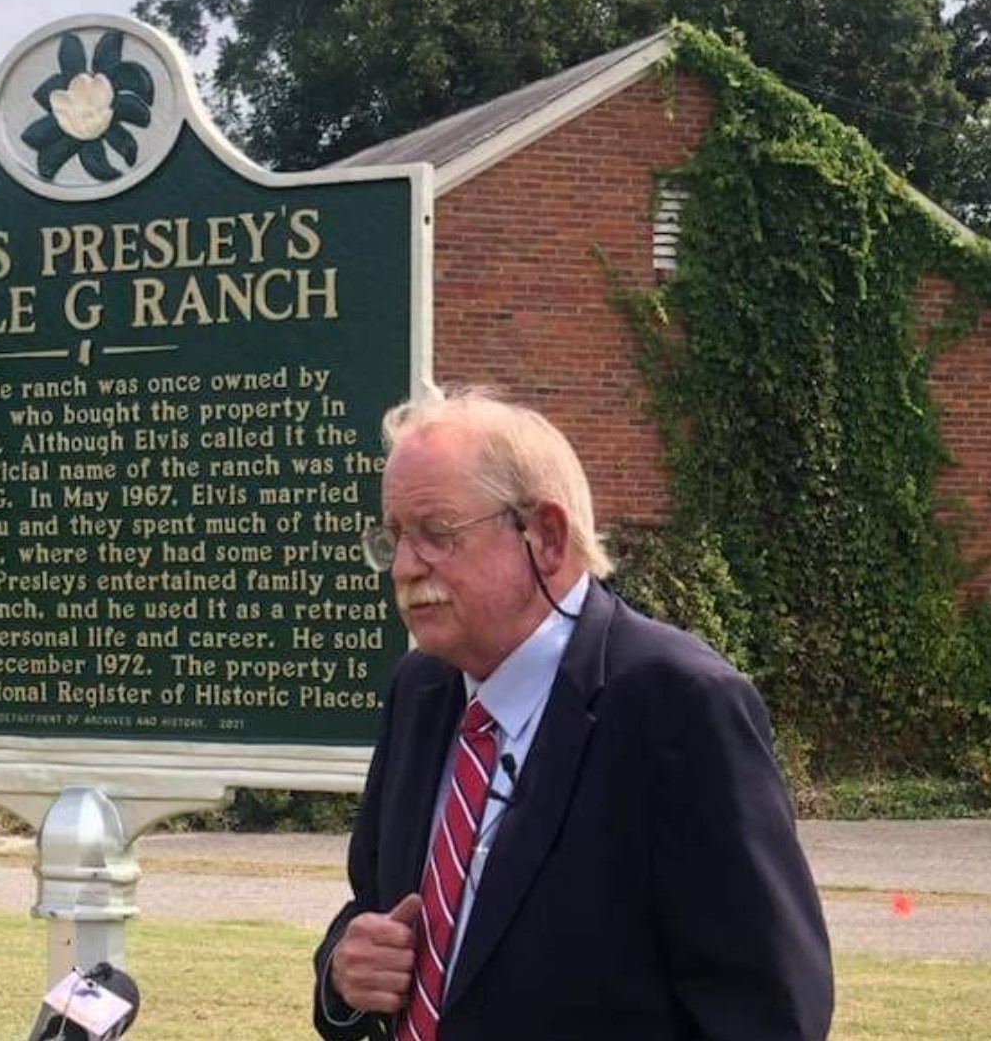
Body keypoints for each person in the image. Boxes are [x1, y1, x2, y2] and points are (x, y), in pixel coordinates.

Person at [313, 388, 832, 1041]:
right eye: (393, 539)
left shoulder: (677, 705)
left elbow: (768, 1010)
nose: (408, 566)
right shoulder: (422, 689)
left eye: (437, 533)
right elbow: (376, 907)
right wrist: (343, 971)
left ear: (547, 537)